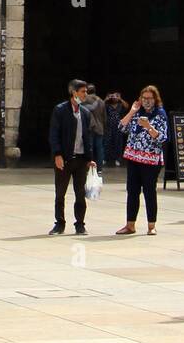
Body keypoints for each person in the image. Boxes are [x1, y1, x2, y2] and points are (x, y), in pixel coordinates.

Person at [116, 86, 168, 236]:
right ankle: (130, 224)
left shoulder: (160, 114)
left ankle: (151, 225)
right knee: (132, 191)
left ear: (155, 99)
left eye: (149, 98)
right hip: (133, 157)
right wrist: (132, 111)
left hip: (151, 159)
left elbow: (163, 137)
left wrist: (148, 127)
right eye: (144, 98)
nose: (146, 101)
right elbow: (121, 127)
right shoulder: (136, 112)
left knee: (149, 192)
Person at [48, 79, 95, 236]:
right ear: (74, 92)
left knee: (80, 193)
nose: (85, 94)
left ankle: (80, 224)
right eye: (83, 91)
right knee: (60, 193)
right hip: (65, 158)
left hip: (81, 159)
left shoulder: (86, 113)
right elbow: (54, 134)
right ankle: (59, 223)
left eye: (86, 92)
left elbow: (87, 137)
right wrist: (57, 154)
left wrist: (90, 158)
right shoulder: (60, 110)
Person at [84, 84, 107, 179]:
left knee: (89, 148)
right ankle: (100, 169)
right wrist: (104, 127)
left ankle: (89, 168)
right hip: (99, 128)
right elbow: (105, 117)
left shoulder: (84, 99)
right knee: (100, 149)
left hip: (88, 128)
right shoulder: (101, 101)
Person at [104, 92, 128, 167]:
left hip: (118, 126)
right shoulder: (107, 105)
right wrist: (106, 99)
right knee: (107, 143)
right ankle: (105, 158)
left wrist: (120, 99)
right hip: (109, 126)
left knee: (118, 143)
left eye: (116, 96)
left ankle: (118, 159)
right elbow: (100, 106)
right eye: (113, 96)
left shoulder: (121, 105)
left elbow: (127, 106)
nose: (114, 97)